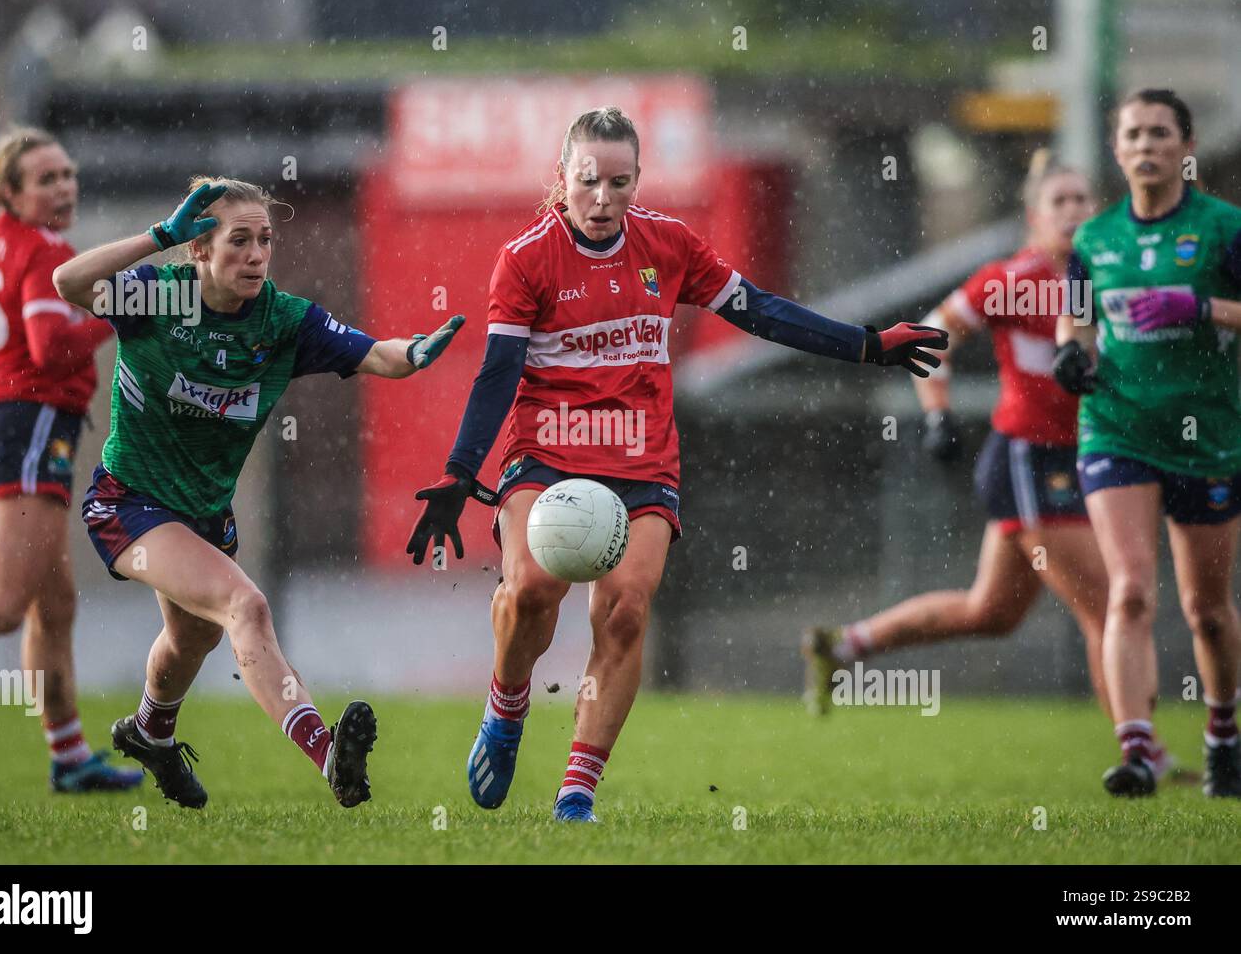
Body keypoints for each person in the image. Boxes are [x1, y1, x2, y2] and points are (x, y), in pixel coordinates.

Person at [405, 106, 949, 822]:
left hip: (640, 458)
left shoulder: (669, 245)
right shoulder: (527, 259)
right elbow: (499, 375)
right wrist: (456, 473)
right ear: (562, 177)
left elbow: (760, 311)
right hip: (550, 453)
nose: (603, 199)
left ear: (639, 181)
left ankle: (576, 793)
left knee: (626, 611)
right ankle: (506, 710)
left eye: (620, 183)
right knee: (533, 588)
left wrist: (867, 345)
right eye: (589, 181)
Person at [53, 176, 464, 808]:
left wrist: (416, 349)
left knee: (194, 639)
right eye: (238, 241)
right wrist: (159, 235)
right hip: (128, 506)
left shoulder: (284, 322)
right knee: (246, 608)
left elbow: (381, 356)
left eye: (264, 240)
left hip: (205, 517)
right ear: (199, 250)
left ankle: (149, 732)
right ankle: (329, 755)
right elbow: (69, 284)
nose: (255, 255)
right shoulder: (160, 298)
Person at [802, 153, 1182, 771]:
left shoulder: (1110, 280)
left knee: (993, 612)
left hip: (1093, 458)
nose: (1073, 212)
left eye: (1083, 200)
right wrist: (937, 414)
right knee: (1110, 602)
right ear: (1033, 216)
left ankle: (844, 645)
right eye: (1059, 201)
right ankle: (1144, 754)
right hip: (1030, 463)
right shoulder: (1014, 279)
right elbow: (931, 335)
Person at [0, 127, 141, 793]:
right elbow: (53, 348)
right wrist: (121, 311)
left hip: (1, 420)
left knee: (52, 606)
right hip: (28, 425)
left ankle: (69, 757)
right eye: (47, 178)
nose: (65, 187)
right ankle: (69, 757)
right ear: (11, 192)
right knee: (1, 603)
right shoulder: (42, 250)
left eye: (68, 173)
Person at [1055, 89, 1241, 798]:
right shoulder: (1093, 241)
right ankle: (1139, 749)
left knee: (1207, 611)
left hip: (1208, 435)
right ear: (1116, 149)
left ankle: (1223, 731)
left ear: (1186, 147)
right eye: (1132, 134)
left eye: (1159, 133)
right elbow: (1074, 325)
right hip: (1117, 426)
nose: (1145, 146)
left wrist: (1197, 306)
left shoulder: (1224, 228)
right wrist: (1072, 356)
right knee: (1129, 591)